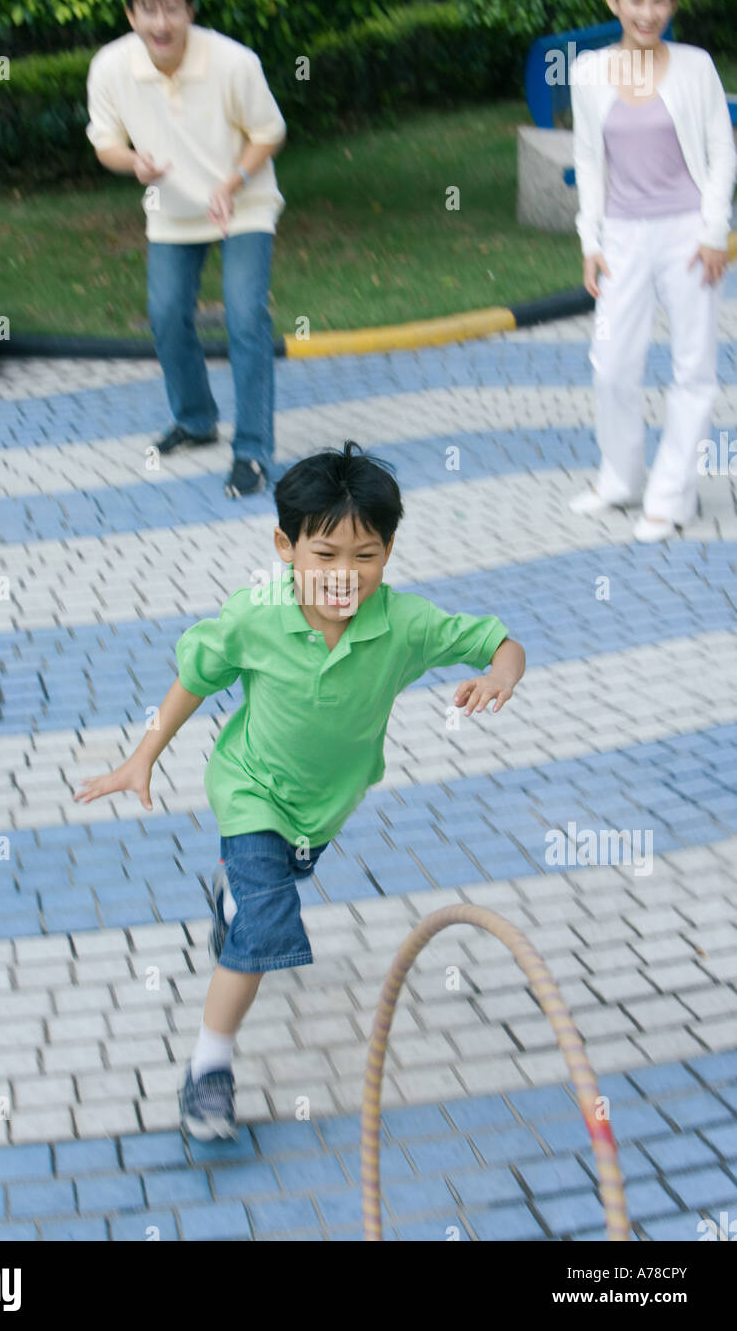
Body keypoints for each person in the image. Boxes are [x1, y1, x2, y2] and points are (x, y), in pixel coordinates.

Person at [73, 440, 526, 1139]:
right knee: (263, 930)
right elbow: (195, 677)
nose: (344, 576)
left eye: (364, 556)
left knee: (271, 888)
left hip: (324, 809)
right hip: (250, 789)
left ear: (389, 551)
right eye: (325, 555)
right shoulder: (256, 615)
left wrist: (500, 675)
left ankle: (231, 894)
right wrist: (143, 758)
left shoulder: (403, 626)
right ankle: (208, 1069)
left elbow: (499, 641)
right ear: (285, 546)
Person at [85, 0, 286, 498]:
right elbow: (104, 143)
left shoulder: (233, 62)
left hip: (242, 203)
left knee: (246, 317)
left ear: (189, 12)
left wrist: (233, 182)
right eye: (148, 10)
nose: (161, 22)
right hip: (172, 210)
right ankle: (196, 419)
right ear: (131, 15)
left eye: (172, 8)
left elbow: (270, 131)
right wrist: (134, 164)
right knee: (167, 314)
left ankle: (252, 452)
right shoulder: (110, 67)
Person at [569, 0, 737, 542]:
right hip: (622, 235)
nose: (648, 13)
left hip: (689, 234)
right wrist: (590, 241)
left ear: (672, 6)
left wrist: (716, 233)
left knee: (693, 367)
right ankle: (620, 477)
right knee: (612, 363)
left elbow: (723, 151)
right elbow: (588, 160)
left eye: (659, 1)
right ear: (614, 3)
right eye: (636, 1)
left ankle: (670, 498)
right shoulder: (589, 71)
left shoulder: (695, 66)